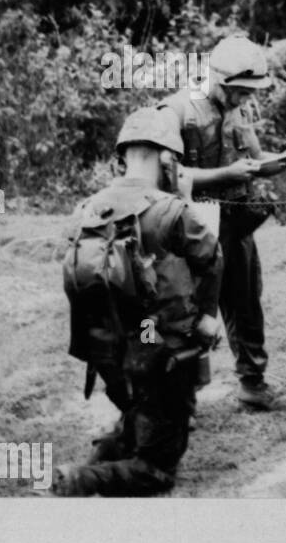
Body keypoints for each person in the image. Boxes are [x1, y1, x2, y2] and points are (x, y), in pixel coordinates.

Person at [54, 108, 222, 496]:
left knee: (140, 415)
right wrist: (208, 316)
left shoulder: (88, 209)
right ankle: (82, 478)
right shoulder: (171, 211)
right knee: (158, 469)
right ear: (167, 159)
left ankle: (107, 450)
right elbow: (212, 259)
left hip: (108, 355)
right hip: (161, 357)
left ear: (122, 157)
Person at [157, 35, 286, 411]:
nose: (245, 99)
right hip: (194, 225)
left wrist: (279, 161)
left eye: (248, 92)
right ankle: (180, 396)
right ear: (220, 81)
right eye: (239, 91)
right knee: (189, 309)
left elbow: (252, 161)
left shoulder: (242, 109)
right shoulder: (178, 110)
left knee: (246, 301)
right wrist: (226, 174)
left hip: (237, 221)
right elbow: (169, 175)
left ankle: (253, 383)